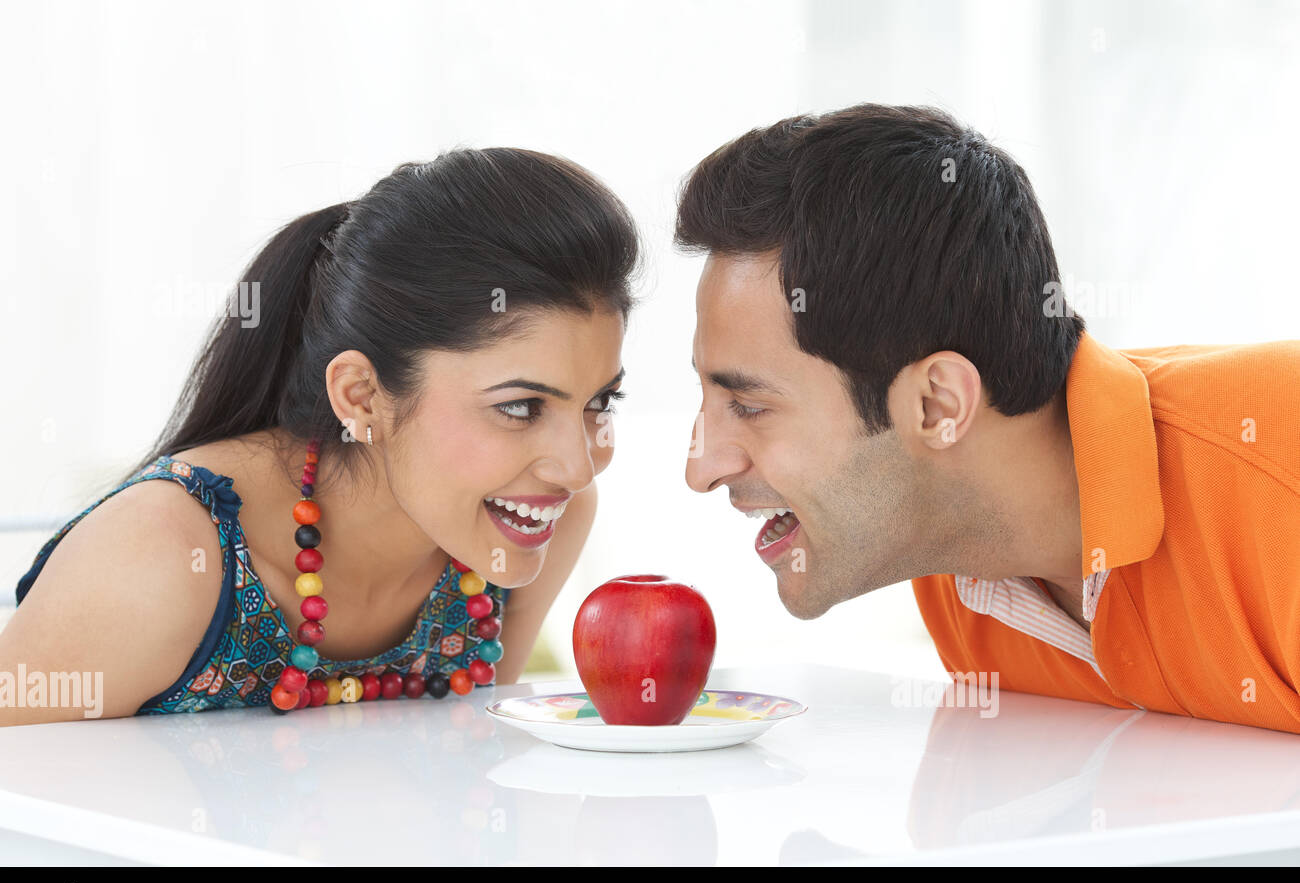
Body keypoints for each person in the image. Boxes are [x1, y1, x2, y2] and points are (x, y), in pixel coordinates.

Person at [676, 103, 1300, 735]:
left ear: (938, 406)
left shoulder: (1279, 479)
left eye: (750, 407)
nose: (700, 469)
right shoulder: (964, 574)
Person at [2, 148, 638, 725]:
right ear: (361, 396)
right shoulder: (162, 556)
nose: (577, 470)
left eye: (599, 402)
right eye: (522, 407)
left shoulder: (523, 524)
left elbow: (462, 773)